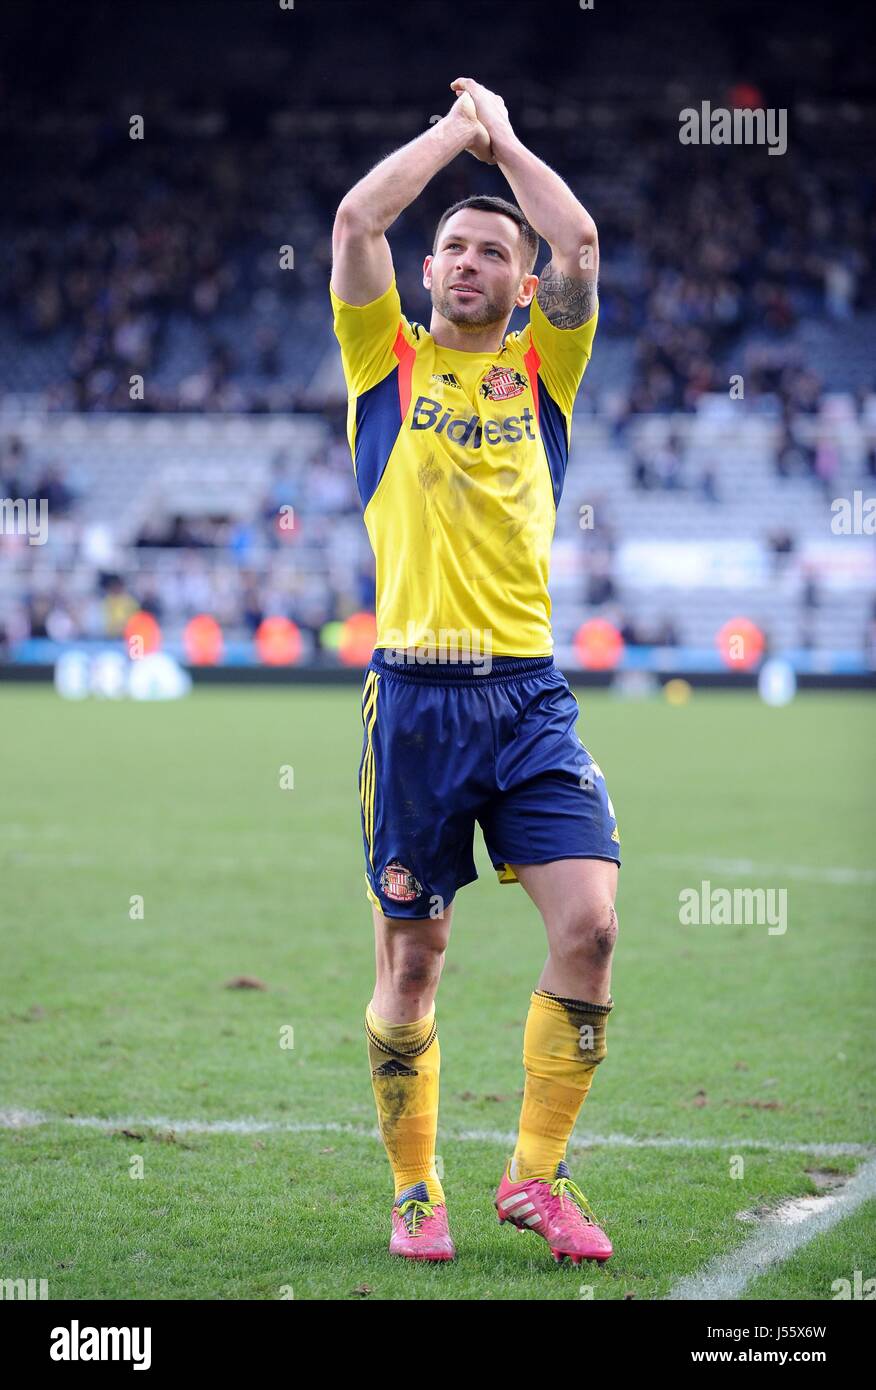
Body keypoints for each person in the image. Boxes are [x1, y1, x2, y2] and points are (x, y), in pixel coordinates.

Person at [330, 77, 619, 1267]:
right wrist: (453, 138)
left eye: (490, 249)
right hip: (416, 702)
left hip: (529, 695)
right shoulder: (382, 365)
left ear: (517, 280)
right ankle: (415, 1191)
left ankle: (536, 1178)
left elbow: (582, 239)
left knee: (592, 929)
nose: (464, 260)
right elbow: (355, 222)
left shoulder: (543, 371)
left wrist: (505, 145)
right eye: (449, 244)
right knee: (414, 955)